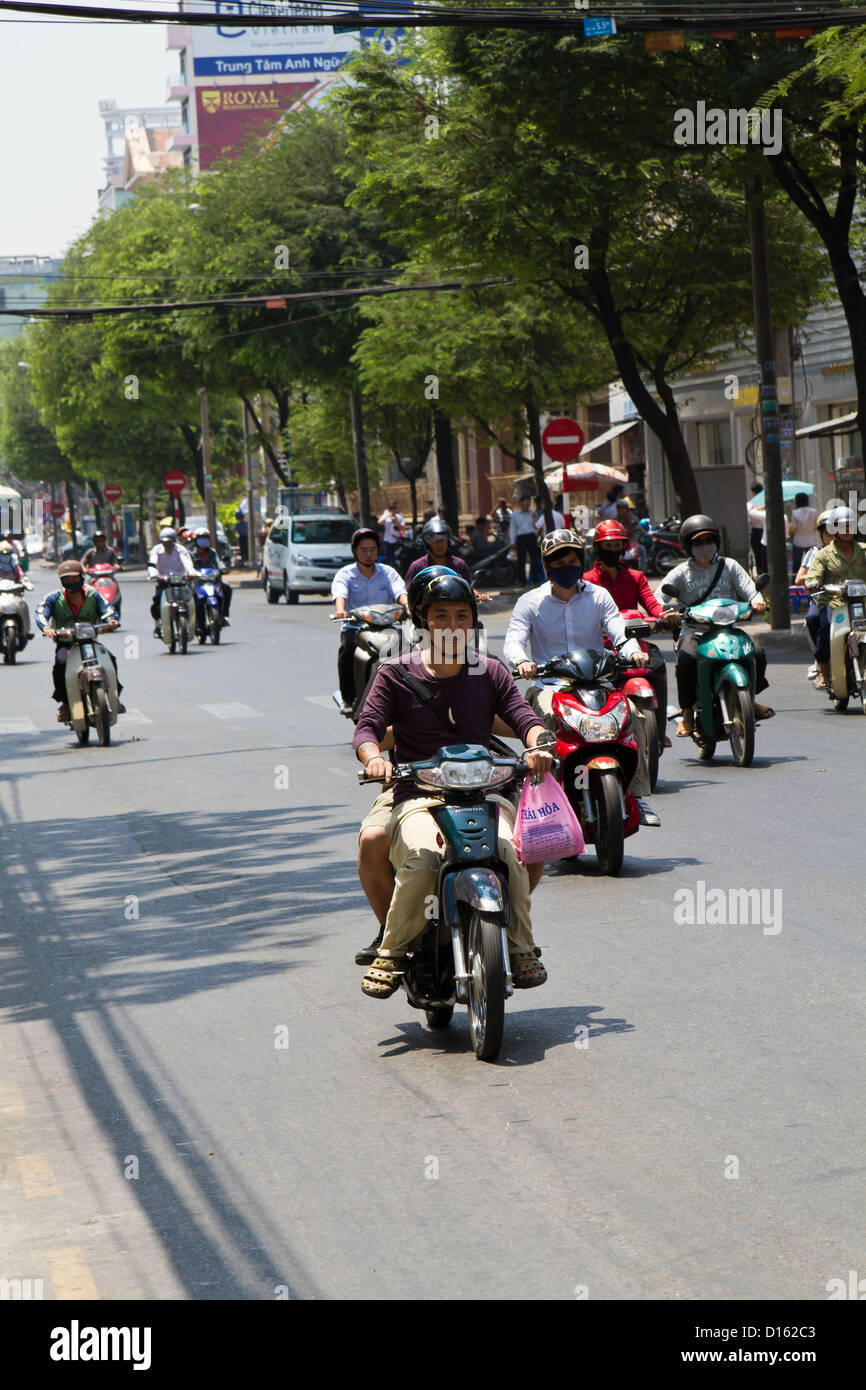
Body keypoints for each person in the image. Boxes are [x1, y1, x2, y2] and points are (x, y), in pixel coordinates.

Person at [353, 570, 554, 997]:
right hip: (418, 793)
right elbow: (367, 730)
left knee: (512, 852)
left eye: (462, 615)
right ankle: (393, 950)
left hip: (483, 792)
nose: (452, 624)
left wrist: (540, 745)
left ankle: (519, 949)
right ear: (423, 620)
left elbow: (525, 719)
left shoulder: (491, 671)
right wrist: (374, 760)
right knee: (423, 858)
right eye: (441, 615)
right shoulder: (394, 672)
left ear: (473, 621)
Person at [502, 529, 661, 827]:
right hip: (550, 686)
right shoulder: (530, 602)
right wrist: (522, 661)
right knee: (544, 722)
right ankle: (544, 796)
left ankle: (636, 793)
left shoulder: (599, 596)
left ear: (582, 561)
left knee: (633, 717)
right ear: (546, 567)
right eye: (558, 563)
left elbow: (619, 631)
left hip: (596, 683)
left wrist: (633, 651)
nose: (567, 567)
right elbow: (514, 640)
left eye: (572, 560)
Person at [660, 514, 773, 735]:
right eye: (698, 543)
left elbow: (749, 589)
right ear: (688, 546)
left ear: (717, 542)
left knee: (757, 652)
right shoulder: (681, 573)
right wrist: (666, 614)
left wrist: (758, 602)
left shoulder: (729, 566)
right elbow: (658, 598)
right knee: (686, 659)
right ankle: (687, 714)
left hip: (727, 629)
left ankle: (750, 699)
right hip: (695, 631)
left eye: (708, 541)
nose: (704, 547)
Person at [583, 519, 671, 749]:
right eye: (607, 546)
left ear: (624, 547)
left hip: (634, 645)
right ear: (598, 548)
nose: (613, 550)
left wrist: (665, 616)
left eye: (617, 545)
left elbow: (652, 604)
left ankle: (659, 733)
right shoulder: (586, 581)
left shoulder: (636, 576)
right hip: (600, 648)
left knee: (659, 666)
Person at [331, 528, 408, 716]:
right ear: (355, 551)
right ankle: (348, 698)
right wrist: (340, 611)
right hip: (355, 628)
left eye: (372, 549)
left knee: (409, 651)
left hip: (386, 627)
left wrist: (408, 606)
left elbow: (400, 592)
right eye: (363, 549)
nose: (368, 554)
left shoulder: (387, 572)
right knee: (347, 650)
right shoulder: (345, 574)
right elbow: (340, 594)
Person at [35, 561, 124, 722]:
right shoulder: (54, 598)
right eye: (66, 580)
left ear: (82, 578)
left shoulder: (93, 594)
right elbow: (41, 613)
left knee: (110, 659)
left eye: (74, 579)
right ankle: (65, 704)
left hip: (90, 642)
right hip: (66, 643)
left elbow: (107, 609)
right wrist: (46, 628)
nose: (70, 583)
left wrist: (111, 620)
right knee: (60, 664)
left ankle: (114, 697)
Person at [804, 505, 866, 690]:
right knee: (826, 629)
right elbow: (813, 575)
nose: (847, 530)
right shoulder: (823, 554)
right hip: (834, 602)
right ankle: (822, 669)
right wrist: (813, 583)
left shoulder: (863, 550)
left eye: (850, 525)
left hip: (860, 602)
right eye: (842, 526)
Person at [404, 518, 490, 601]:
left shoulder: (459, 564)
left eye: (442, 540)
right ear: (427, 543)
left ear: (448, 541)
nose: (440, 545)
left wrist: (479, 595)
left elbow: (469, 588)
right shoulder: (417, 567)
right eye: (435, 541)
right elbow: (408, 593)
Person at [795, 510, 832, 681]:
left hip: (850, 599)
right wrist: (814, 580)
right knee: (813, 619)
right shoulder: (815, 552)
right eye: (828, 531)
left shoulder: (855, 551)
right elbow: (799, 578)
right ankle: (820, 660)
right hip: (822, 598)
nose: (833, 536)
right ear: (821, 534)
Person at [147, 527, 196, 637]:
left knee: (193, 598)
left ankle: (194, 623)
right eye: (165, 542)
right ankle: (158, 626)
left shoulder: (181, 550)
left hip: (180, 582)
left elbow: (188, 563)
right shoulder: (156, 550)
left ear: (174, 540)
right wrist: (154, 575)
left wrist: (192, 573)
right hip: (164, 582)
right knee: (157, 601)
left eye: (170, 542)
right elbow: (152, 565)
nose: (167, 544)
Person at [190, 527, 232, 628]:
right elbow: (188, 566)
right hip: (197, 583)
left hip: (212, 581)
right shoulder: (191, 554)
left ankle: (224, 616)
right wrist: (190, 573)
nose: (203, 540)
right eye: (201, 538)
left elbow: (219, 563)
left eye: (205, 538)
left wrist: (223, 569)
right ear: (196, 540)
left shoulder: (212, 552)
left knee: (227, 589)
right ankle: (195, 620)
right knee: (192, 597)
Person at [509, 495, 543, 586]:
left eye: (529, 502)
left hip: (531, 536)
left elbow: (535, 526)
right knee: (521, 560)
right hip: (521, 537)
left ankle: (536, 580)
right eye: (526, 501)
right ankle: (522, 581)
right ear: (521, 502)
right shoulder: (515, 515)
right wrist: (512, 541)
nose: (527, 503)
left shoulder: (532, 513)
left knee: (534, 558)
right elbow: (512, 528)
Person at [789, 493, 820, 580]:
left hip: (798, 541)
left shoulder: (795, 513)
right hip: (811, 541)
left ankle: (795, 583)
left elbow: (793, 529)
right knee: (812, 564)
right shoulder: (814, 511)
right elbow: (816, 527)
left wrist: (789, 526)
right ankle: (812, 580)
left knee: (796, 565)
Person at [615, 497, 647, 572]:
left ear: (626, 509)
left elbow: (638, 528)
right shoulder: (616, 519)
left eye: (623, 508)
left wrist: (630, 531)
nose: (621, 510)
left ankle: (643, 570)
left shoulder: (632, 518)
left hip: (632, 541)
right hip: (620, 542)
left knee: (642, 550)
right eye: (620, 508)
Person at [747, 483, 766, 574]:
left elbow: (749, 516)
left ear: (753, 492)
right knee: (763, 556)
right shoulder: (766, 502)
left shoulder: (751, 504)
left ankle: (760, 574)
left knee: (758, 556)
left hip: (756, 532)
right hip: (763, 531)